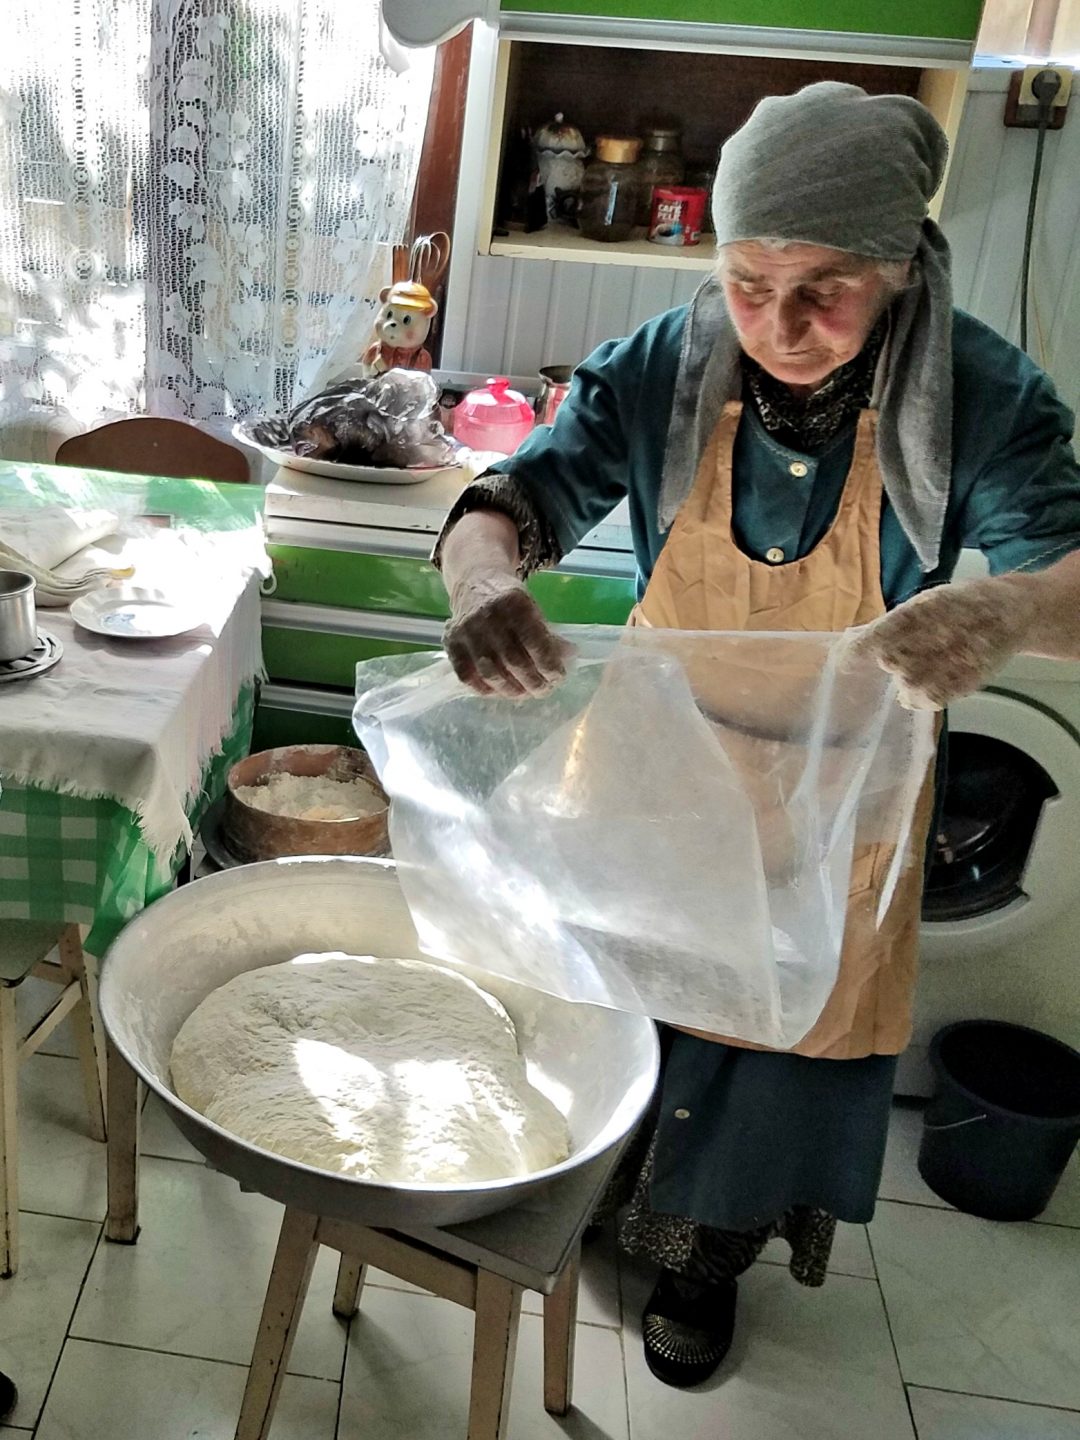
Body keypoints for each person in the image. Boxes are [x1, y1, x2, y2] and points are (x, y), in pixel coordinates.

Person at [433, 82, 1080, 1388]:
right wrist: (483, 583)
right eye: (747, 280)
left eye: (827, 286)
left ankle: (698, 1265)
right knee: (616, 1007)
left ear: (902, 265)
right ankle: (579, 1212)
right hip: (657, 761)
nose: (780, 323)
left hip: (848, 789)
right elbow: (517, 493)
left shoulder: (980, 393)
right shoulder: (670, 365)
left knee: (774, 1054)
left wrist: (1012, 606)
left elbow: (1068, 569)